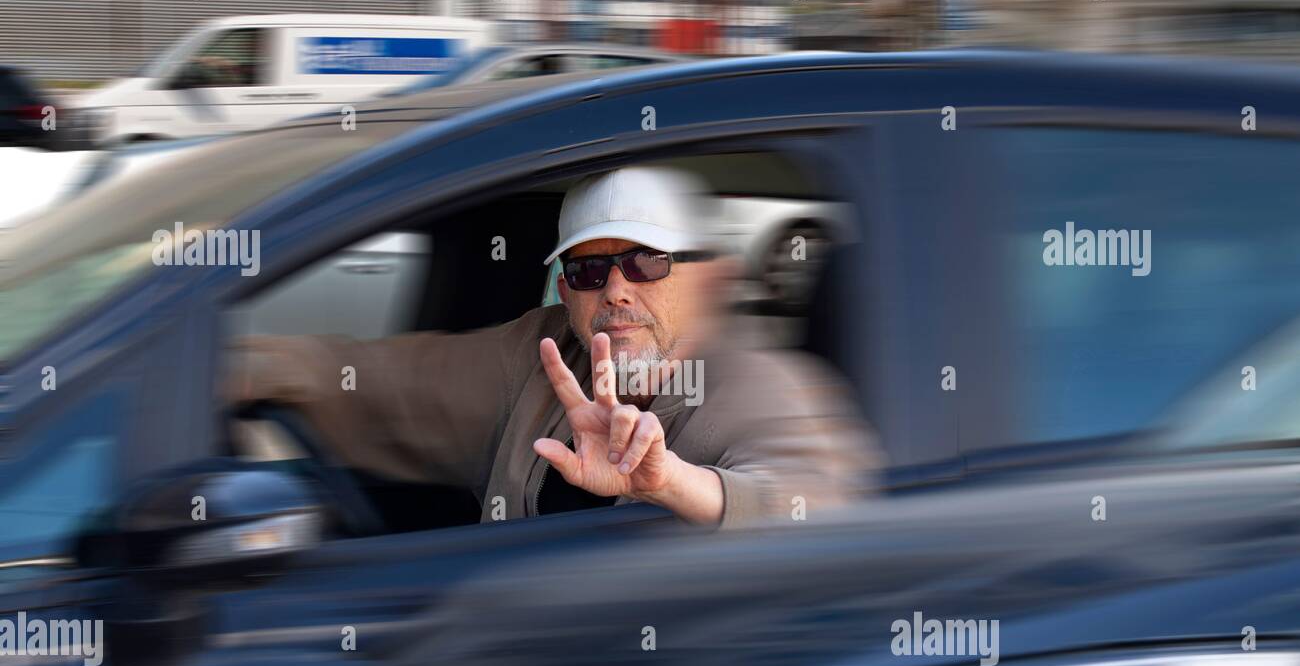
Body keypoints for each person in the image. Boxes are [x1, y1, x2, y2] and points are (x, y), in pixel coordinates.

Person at [223, 166, 879, 528]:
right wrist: (215, 366)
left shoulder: (762, 384)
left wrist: (670, 483)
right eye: (589, 272)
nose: (616, 291)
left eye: (646, 262)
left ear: (707, 276)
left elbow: (817, 509)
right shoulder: (542, 352)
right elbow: (381, 381)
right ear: (565, 290)